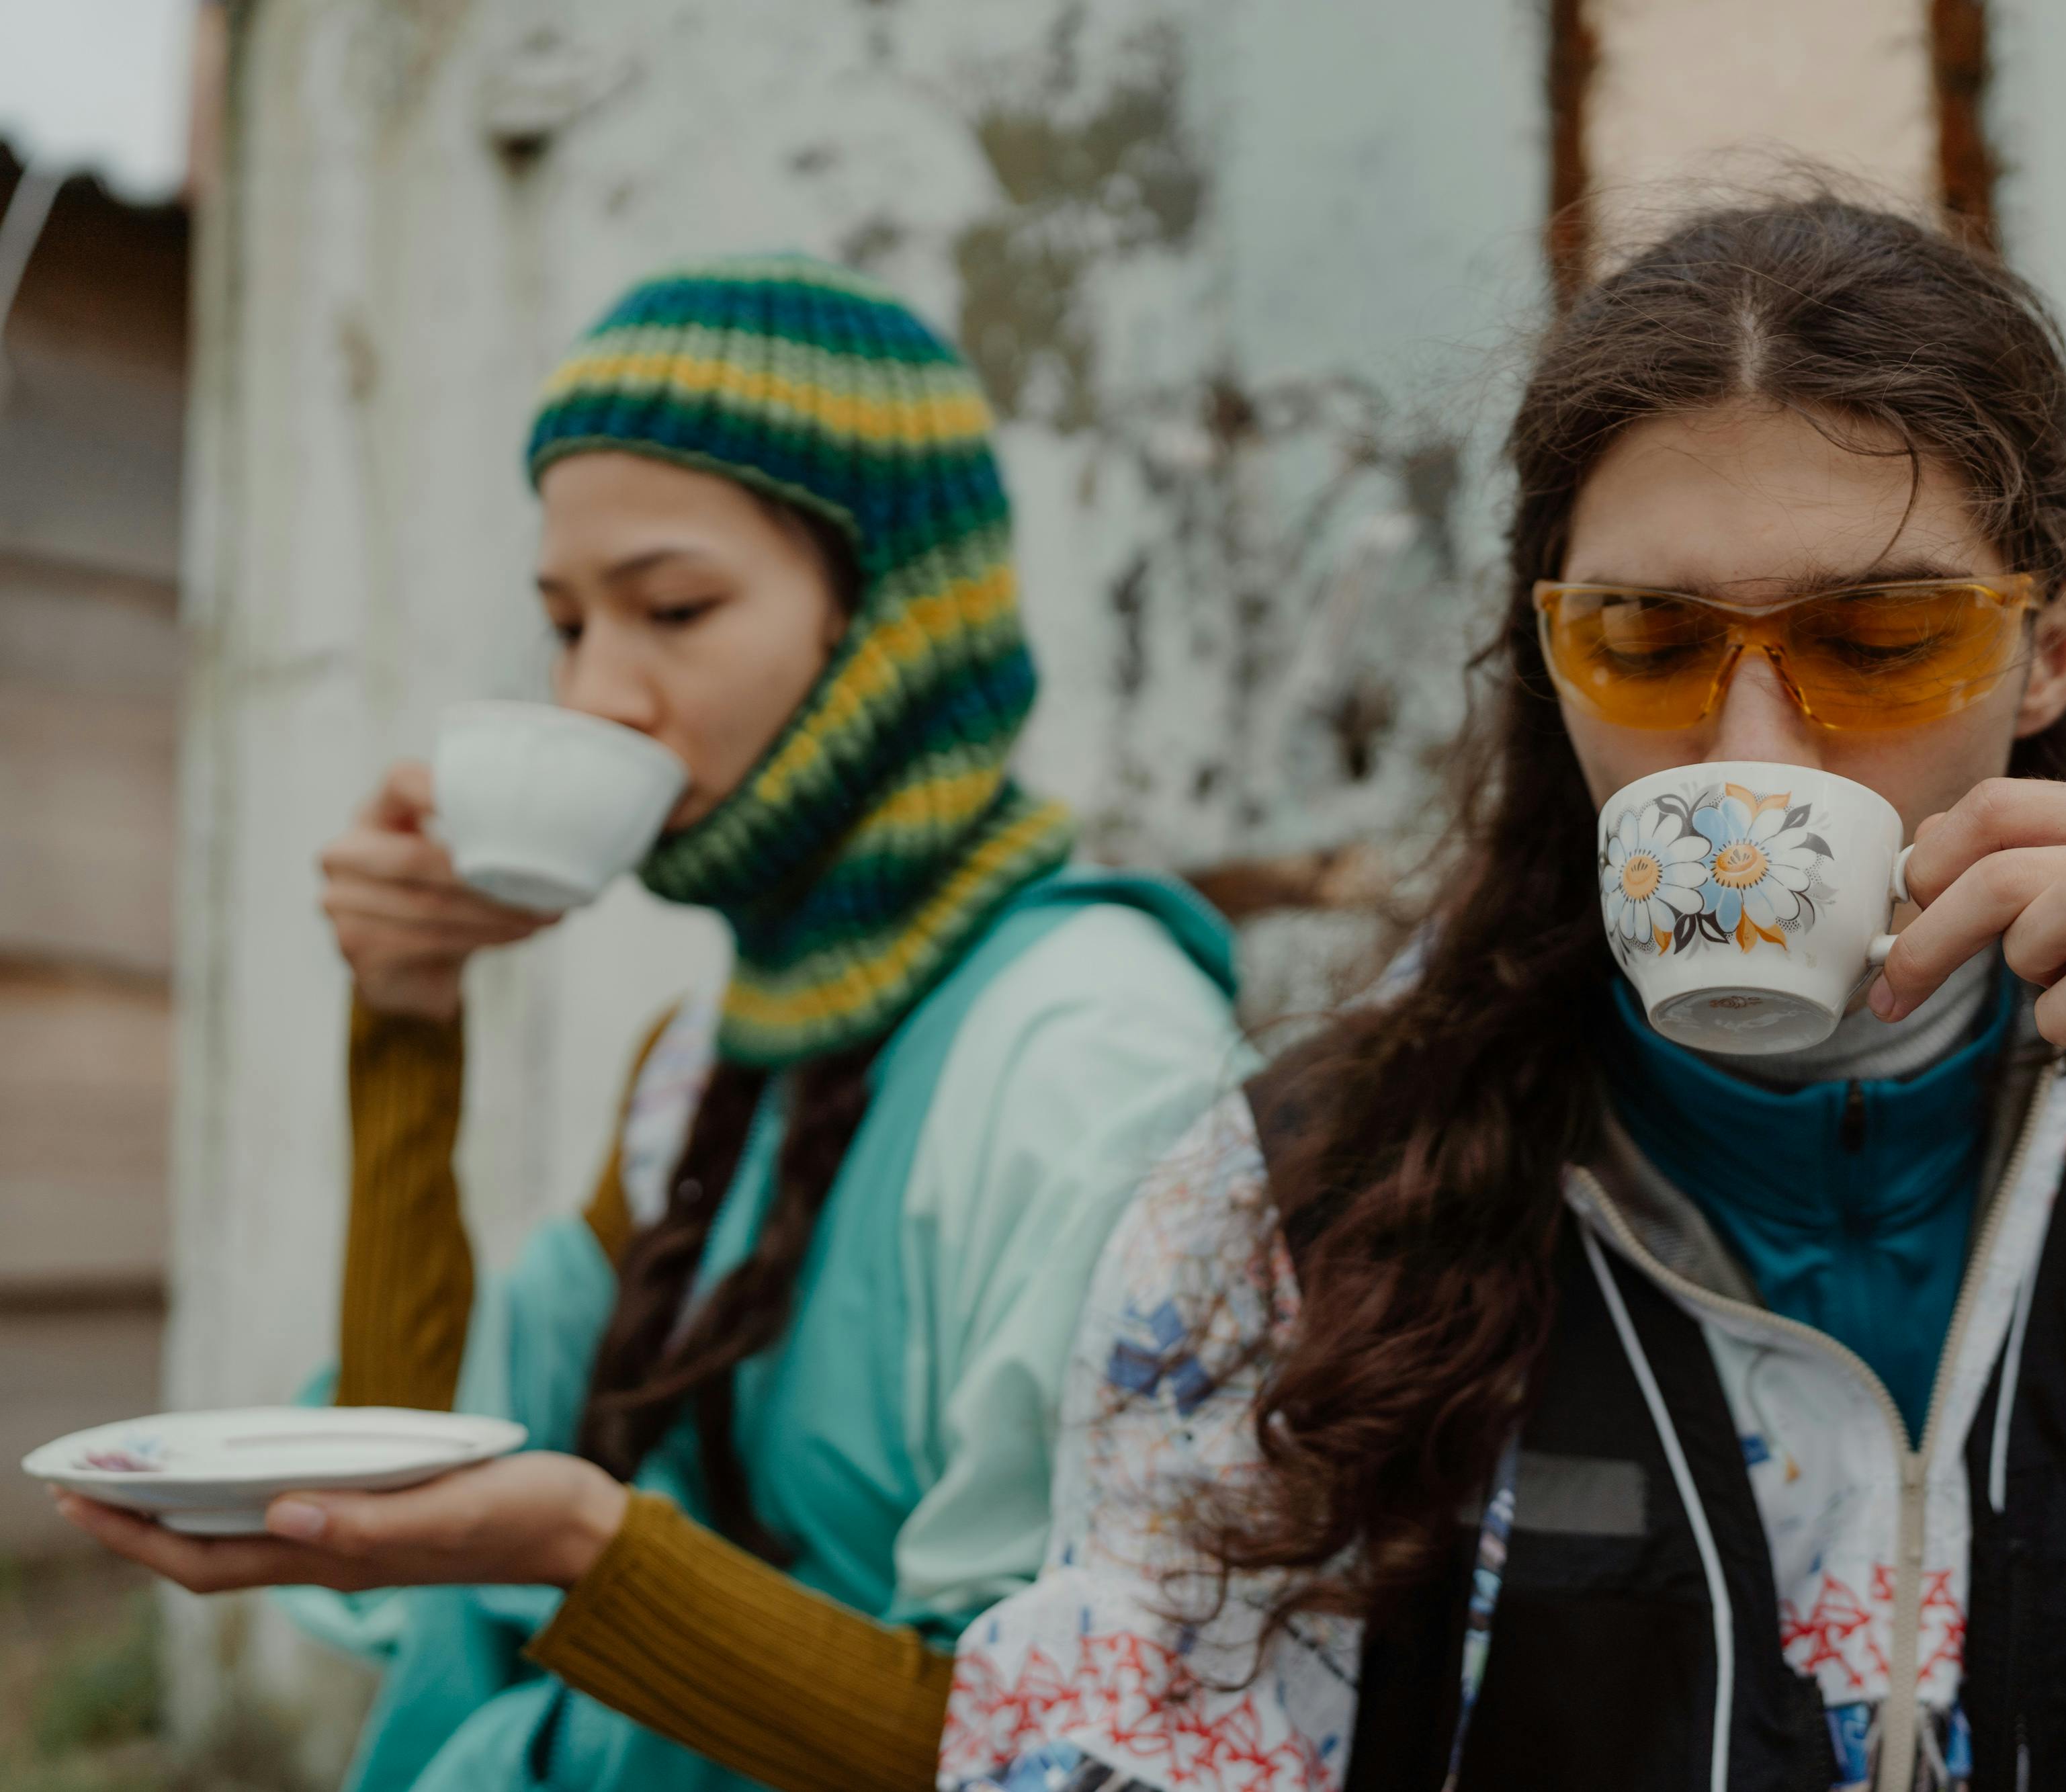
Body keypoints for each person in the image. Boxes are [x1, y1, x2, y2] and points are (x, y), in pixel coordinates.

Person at [937, 197, 2066, 1792]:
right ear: (1549, 651)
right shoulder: (1299, 1190)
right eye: (1647, 638)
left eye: (1880, 636)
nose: (1748, 744)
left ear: (2052, 646)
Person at [51, 256, 1250, 1792]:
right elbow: (408, 1456)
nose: (595, 693)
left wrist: (590, 1553)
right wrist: (406, 1017)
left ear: (892, 619)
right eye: (564, 623)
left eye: (673, 607)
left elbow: (1071, 1756)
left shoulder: (1090, 1062)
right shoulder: (711, 1060)